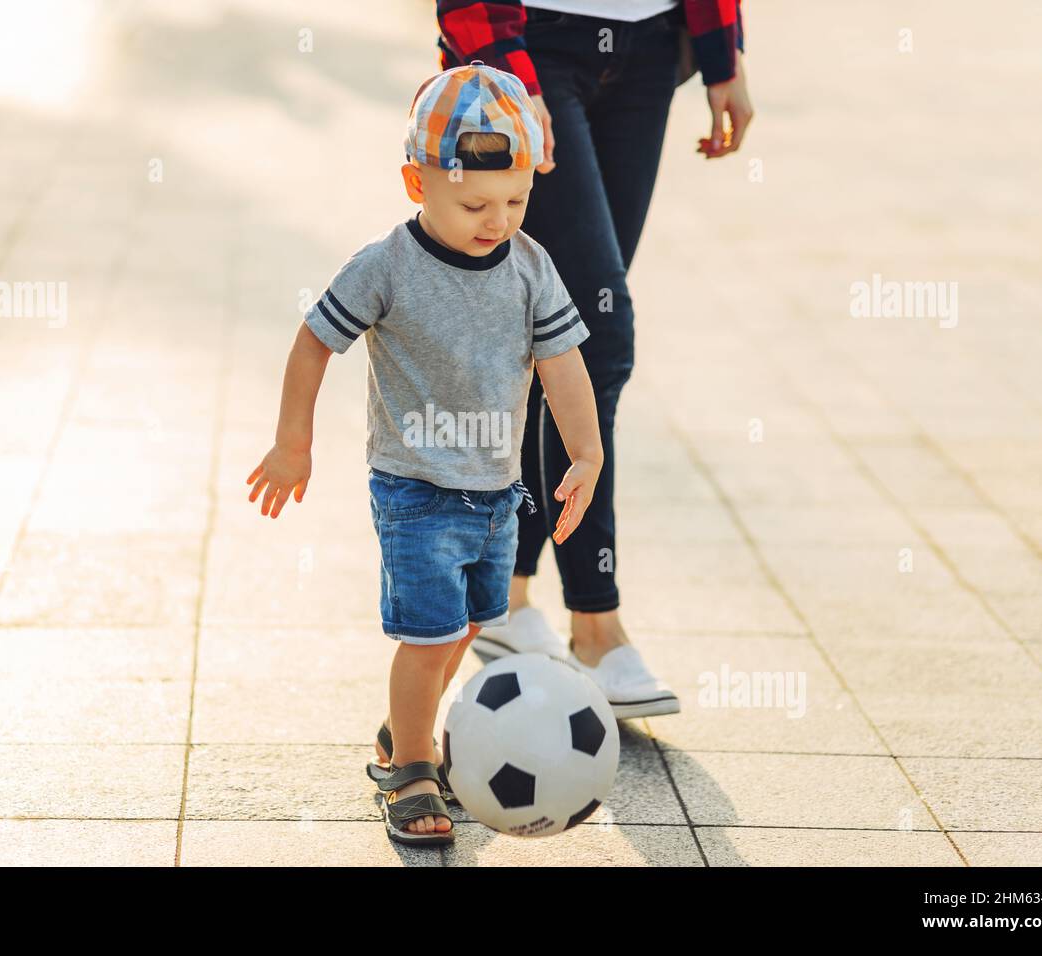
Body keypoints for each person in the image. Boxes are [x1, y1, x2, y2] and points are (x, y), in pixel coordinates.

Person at [245, 62, 603, 845]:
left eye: (515, 200)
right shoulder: (387, 267)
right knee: (431, 636)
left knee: (473, 623)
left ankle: (398, 733)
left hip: (496, 492)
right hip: (415, 491)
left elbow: (564, 363)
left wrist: (585, 451)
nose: (497, 219)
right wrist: (291, 442)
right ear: (417, 181)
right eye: (475, 203)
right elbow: (313, 342)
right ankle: (409, 769)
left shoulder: (531, 268)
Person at [433, 1, 754, 718]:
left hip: (650, 47)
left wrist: (723, 54)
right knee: (593, 340)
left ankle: (505, 596)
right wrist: (515, 80)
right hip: (533, 42)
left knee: (563, 332)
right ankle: (595, 624)